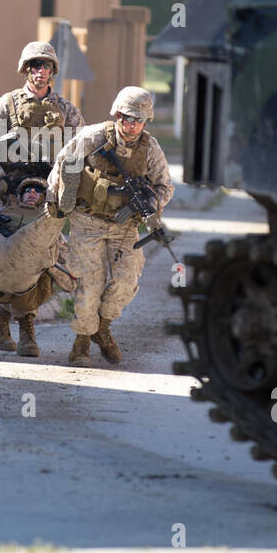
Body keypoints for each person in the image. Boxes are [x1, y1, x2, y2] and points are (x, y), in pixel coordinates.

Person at [47, 86, 172, 366]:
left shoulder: (149, 148)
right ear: (117, 115)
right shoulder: (93, 136)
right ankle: (81, 342)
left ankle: (102, 328)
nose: (132, 126)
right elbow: (63, 163)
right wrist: (54, 199)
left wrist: (152, 201)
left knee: (126, 282)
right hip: (87, 220)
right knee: (90, 285)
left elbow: (165, 186)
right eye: (127, 119)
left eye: (139, 121)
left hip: (125, 226)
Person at [0, 40, 83, 352]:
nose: (40, 72)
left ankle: (1, 320)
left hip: (47, 206)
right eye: (35, 66)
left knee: (57, 268)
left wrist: (60, 188)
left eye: (46, 66)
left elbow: (79, 157)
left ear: (52, 72)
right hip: (11, 201)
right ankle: (25, 330)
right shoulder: (5, 106)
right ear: (26, 70)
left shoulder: (67, 111)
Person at [0, 176, 66, 358]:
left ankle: (1, 321)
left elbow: (63, 252)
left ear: (44, 198)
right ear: (19, 196)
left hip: (33, 276)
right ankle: (23, 332)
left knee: (32, 272)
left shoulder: (47, 222)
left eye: (38, 191)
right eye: (27, 190)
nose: (32, 192)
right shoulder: (3, 213)